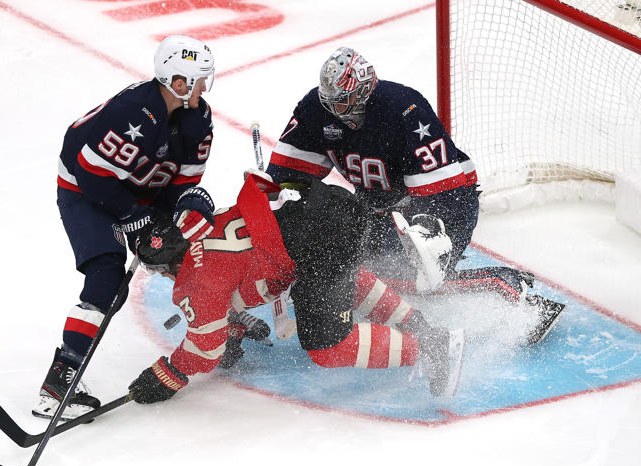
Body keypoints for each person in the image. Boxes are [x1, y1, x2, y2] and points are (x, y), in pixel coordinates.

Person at [127, 174, 466, 405]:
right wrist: (232, 327)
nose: (163, 277)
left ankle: (429, 346)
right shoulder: (202, 225)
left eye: (157, 270)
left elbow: (204, 348)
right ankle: (415, 322)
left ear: (170, 263)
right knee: (332, 277)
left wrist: (167, 375)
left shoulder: (195, 282)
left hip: (320, 239)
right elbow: (229, 279)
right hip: (326, 204)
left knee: (326, 345)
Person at [34, 35, 221, 420]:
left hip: (138, 191)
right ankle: (60, 381)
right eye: (199, 80)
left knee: (192, 254)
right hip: (85, 192)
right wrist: (136, 218)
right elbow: (92, 175)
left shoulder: (199, 118)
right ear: (178, 82)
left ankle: (222, 327)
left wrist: (176, 216)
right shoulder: (134, 111)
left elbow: (183, 183)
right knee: (106, 276)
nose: (205, 87)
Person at [265, 47, 480, 292]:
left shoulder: (404, 108)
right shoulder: (316, 108)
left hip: (449, 202)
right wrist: (275, 203)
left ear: (364, 89)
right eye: (331, 102)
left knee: (410, 280)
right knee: (340, 261)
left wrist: (428, 234)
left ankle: (501, 283)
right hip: (378, 210)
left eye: (344, 101)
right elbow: (288, 175)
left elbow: (444, 192)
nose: (337, 110)